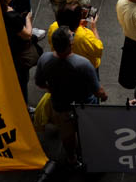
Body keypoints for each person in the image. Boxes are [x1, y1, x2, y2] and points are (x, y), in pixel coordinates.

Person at [35, 25, 103, 161]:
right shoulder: (83, 64)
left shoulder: (44, 59)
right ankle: (90, 154)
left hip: (60, 105)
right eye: (72, 35)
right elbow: (99, 91)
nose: (73, 35)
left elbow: (39, 83)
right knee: (87, 129)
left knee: (67, 134)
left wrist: (53, 89)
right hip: (84, 105)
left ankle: (72, 159)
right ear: (70, 44)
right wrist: (103, 96)